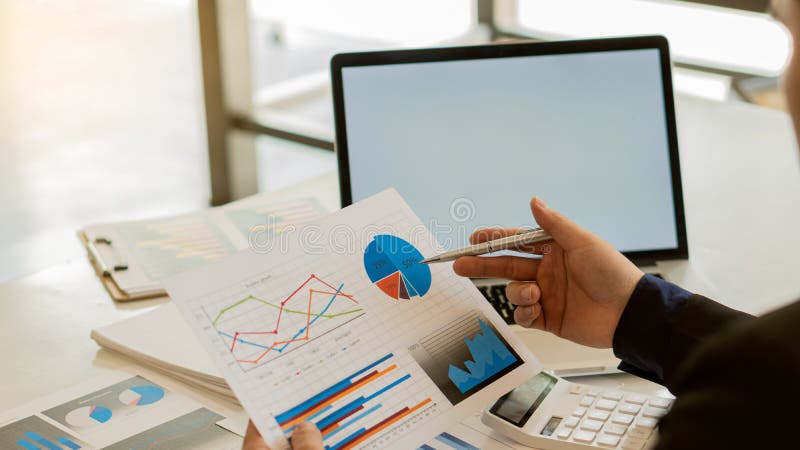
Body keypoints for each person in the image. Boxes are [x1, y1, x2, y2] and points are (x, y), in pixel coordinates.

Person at [243, 1, 800, 448]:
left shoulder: (734, 411)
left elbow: (763, 380)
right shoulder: (760, 376)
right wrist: (636, 309)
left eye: (791, 38)